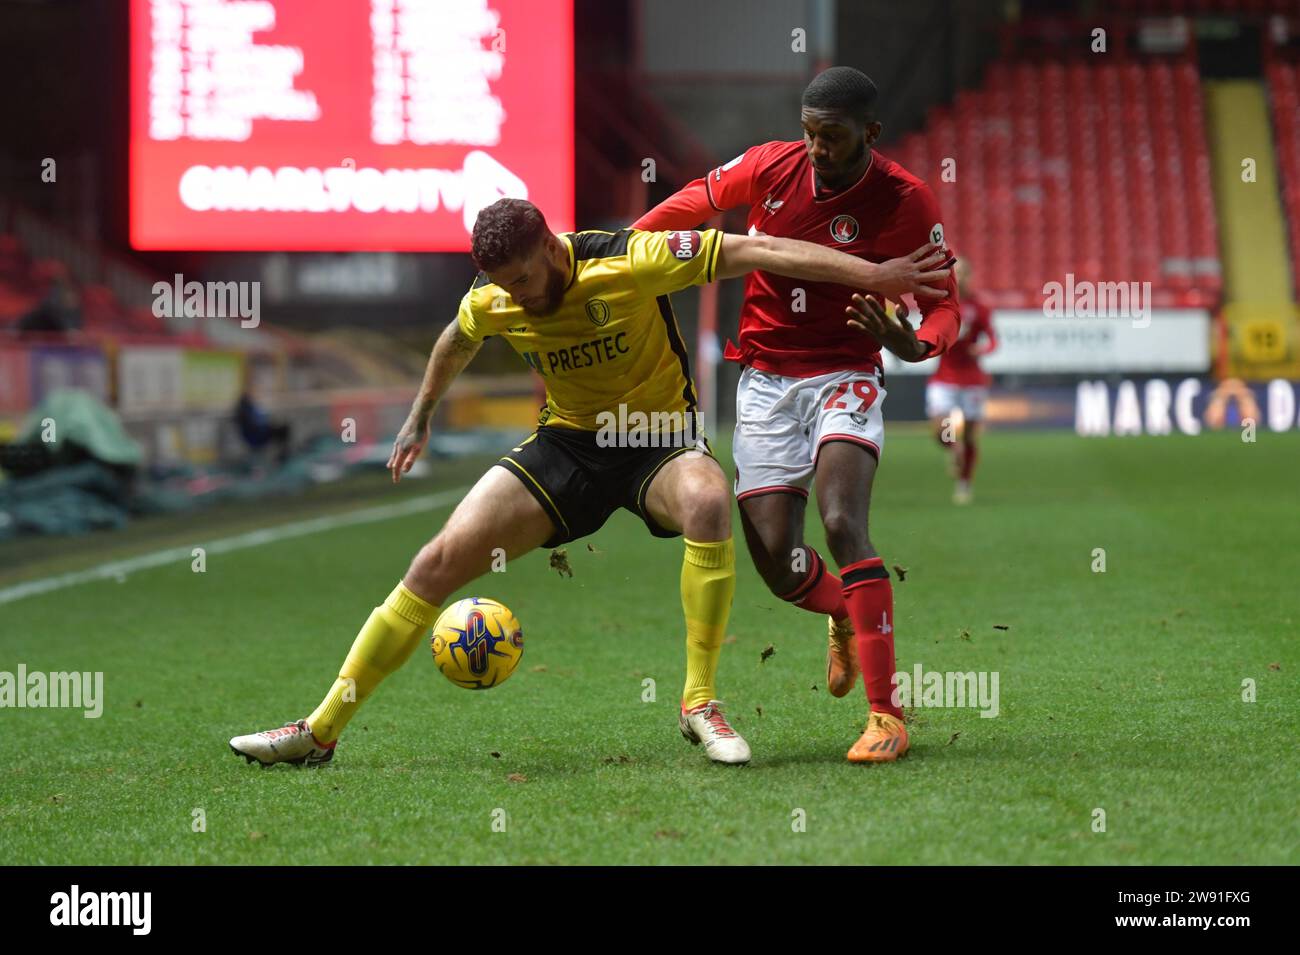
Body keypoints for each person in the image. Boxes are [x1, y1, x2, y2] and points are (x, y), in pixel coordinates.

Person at [229, 196, 948, 768]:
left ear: (550, 246)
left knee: (706, 501)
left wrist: (874, 276)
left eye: (522, 279)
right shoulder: (495, 297)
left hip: (656, 440)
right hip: (569, 446)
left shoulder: (632, 258)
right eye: (501, 284)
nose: (516, 296)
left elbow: (757, 249)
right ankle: (319, 731)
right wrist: (420, 415)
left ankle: (698, 701)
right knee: (436, 560)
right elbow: (458, 335)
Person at [633, 66, 960, 762]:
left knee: (844, 521)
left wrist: (911, 342)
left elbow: (944, 305)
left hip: (845, 373)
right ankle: (847, 612)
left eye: (833, 137)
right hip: (764, 381)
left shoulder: (904, 199)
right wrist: (624, 245)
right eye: (810, 132)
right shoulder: (773, 163)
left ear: (870, 133)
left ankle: (886, 716)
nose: (816, 148)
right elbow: (698, 199)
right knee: (779, 566)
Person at [925, 257, 997, 504]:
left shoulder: (980, 307)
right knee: (939, 429)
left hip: (972, 379)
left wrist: (983, 350)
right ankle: (952, 449)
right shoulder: (942, 302)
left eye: (964, 273)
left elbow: (993, 339)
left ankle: (964, 484)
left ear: (970, 276)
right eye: (956, 273)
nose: (960, 277)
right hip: (944, 376)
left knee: (969, 436)